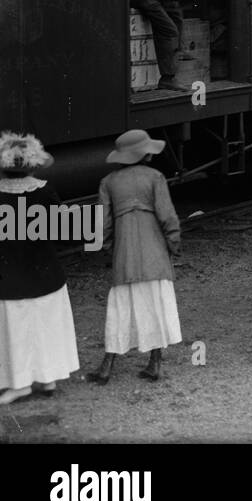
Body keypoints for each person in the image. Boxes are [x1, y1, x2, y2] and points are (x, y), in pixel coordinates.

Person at [86, 130, 182, 385]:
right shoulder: (156, 177)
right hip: (154, 253)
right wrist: (172, 244)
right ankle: (155, 363)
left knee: (120, 309)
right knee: (156, 304)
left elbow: (101, 225)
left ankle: (107, 366)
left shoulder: (108, 182)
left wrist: (110, 248)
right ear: (144, 155)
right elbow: (167, 216)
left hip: (125, 256)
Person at [0, 133, 80, 404]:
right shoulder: (44, 191)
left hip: (9, 278)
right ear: (33, 166)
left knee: (16, 329)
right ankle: (47, 378)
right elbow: (66, 233)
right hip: (46, 274)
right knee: (44, 325)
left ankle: (19, 384)